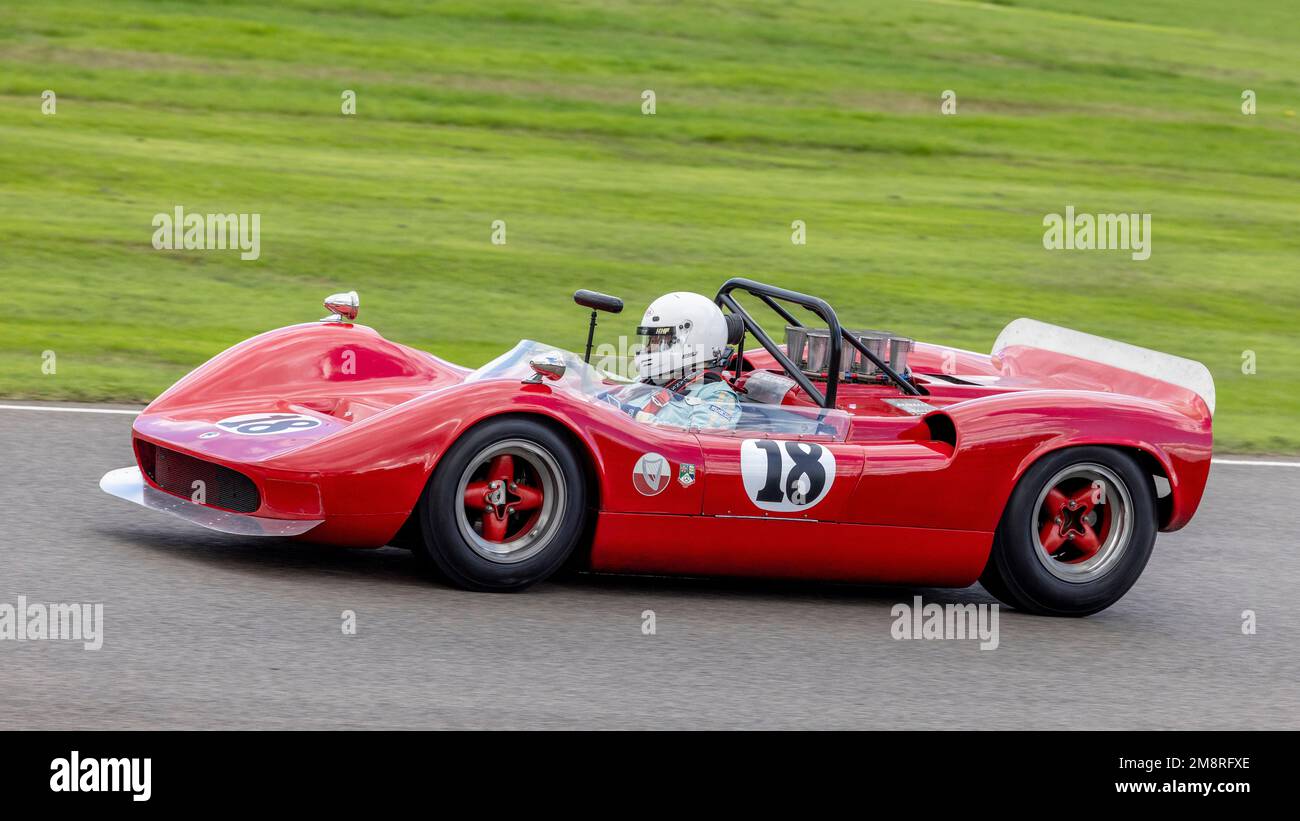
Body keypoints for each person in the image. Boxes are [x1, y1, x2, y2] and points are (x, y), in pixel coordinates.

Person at [613, 292, 742, 429]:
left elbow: (700, 441)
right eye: (650, 340)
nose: (649, 348)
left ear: (692, 341)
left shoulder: (717, 397)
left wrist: (636, 417)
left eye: (660, 341)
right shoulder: (645, 380)